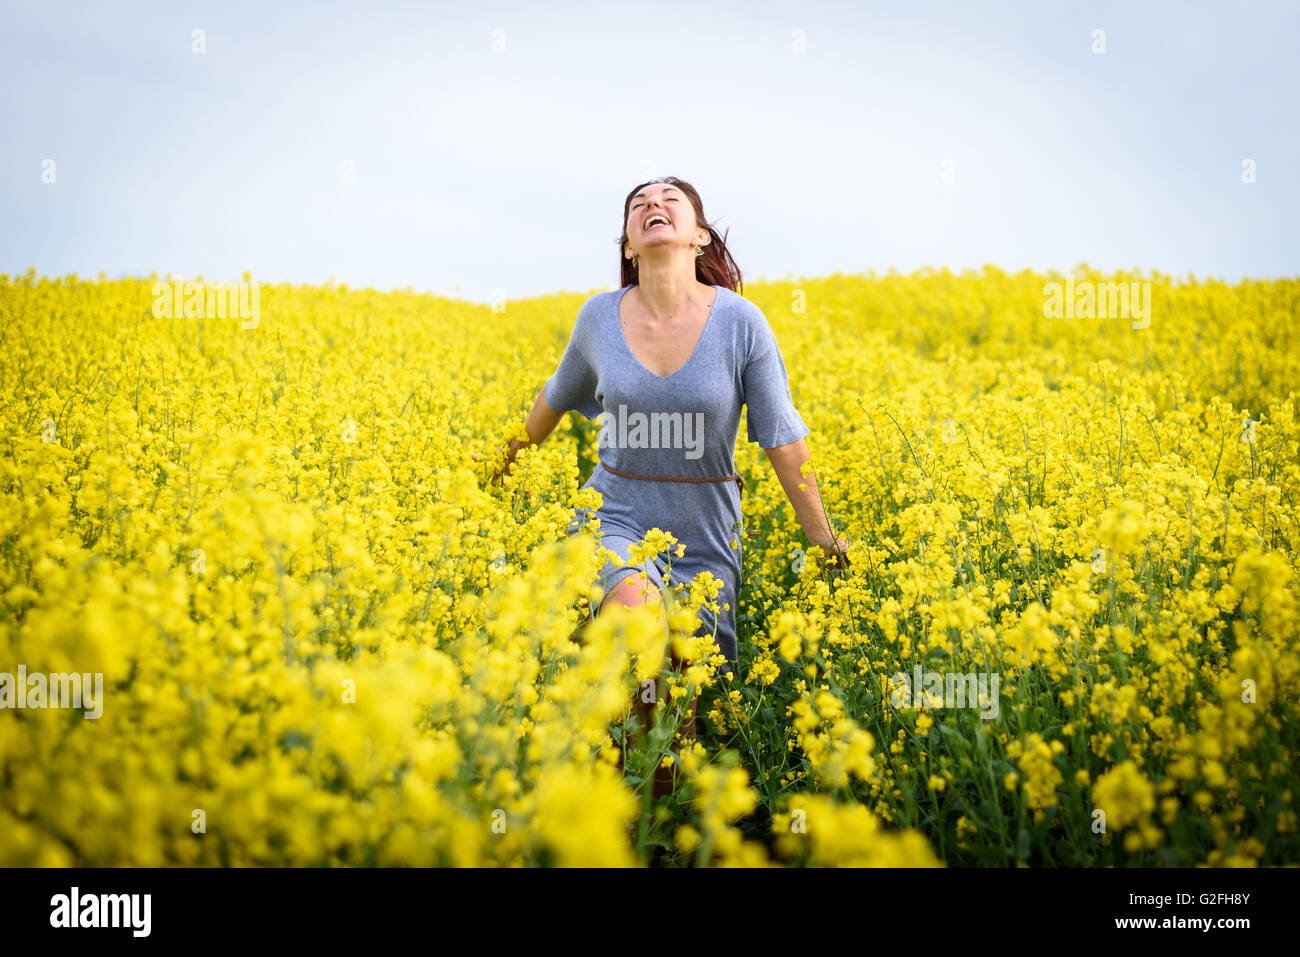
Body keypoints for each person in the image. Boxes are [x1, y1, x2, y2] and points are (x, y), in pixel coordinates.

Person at [479, 176, 850, 797]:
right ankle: (618, 814)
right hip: (615, 516)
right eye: (638, 204)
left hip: (703, 535)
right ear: (628, 244)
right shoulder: (598, 318)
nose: (653, 205)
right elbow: (551, 401)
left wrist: (825, 540)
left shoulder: (741, 324)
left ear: (699, 236)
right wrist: (492, 472)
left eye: (669, 200)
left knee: (680, 700)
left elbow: (784, 441)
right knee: (637, 621)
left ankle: (658, 811)